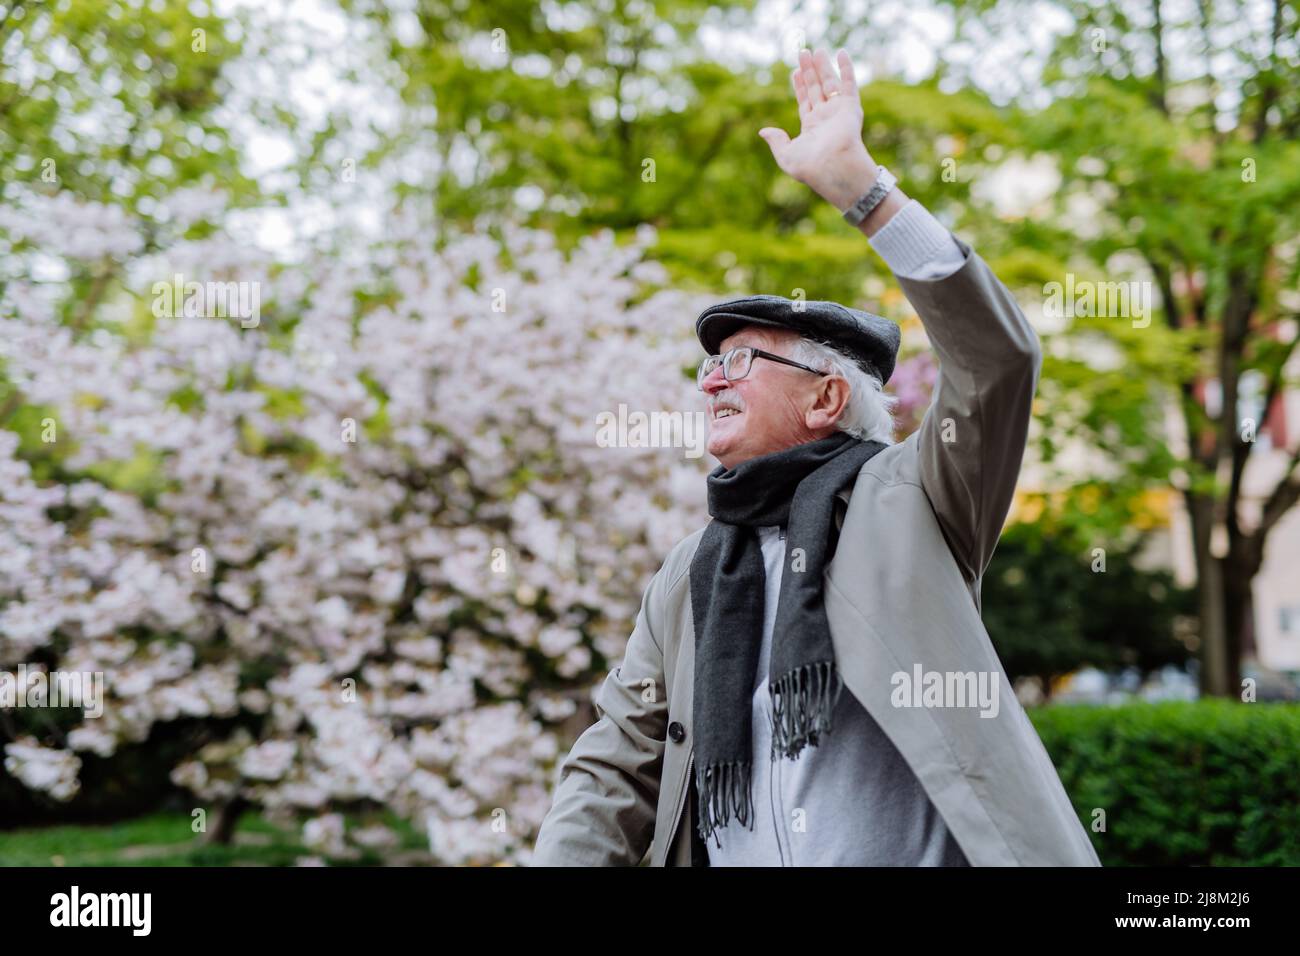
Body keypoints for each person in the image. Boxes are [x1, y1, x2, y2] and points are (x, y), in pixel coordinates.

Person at [531, 47, 1101, 867]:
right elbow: (614, 762)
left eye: (739, 362)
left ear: (826, 399)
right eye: (706, 367)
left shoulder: (913, 499)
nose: (710, 384)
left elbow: (998, 365)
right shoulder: (689, 573)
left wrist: (864, 195)